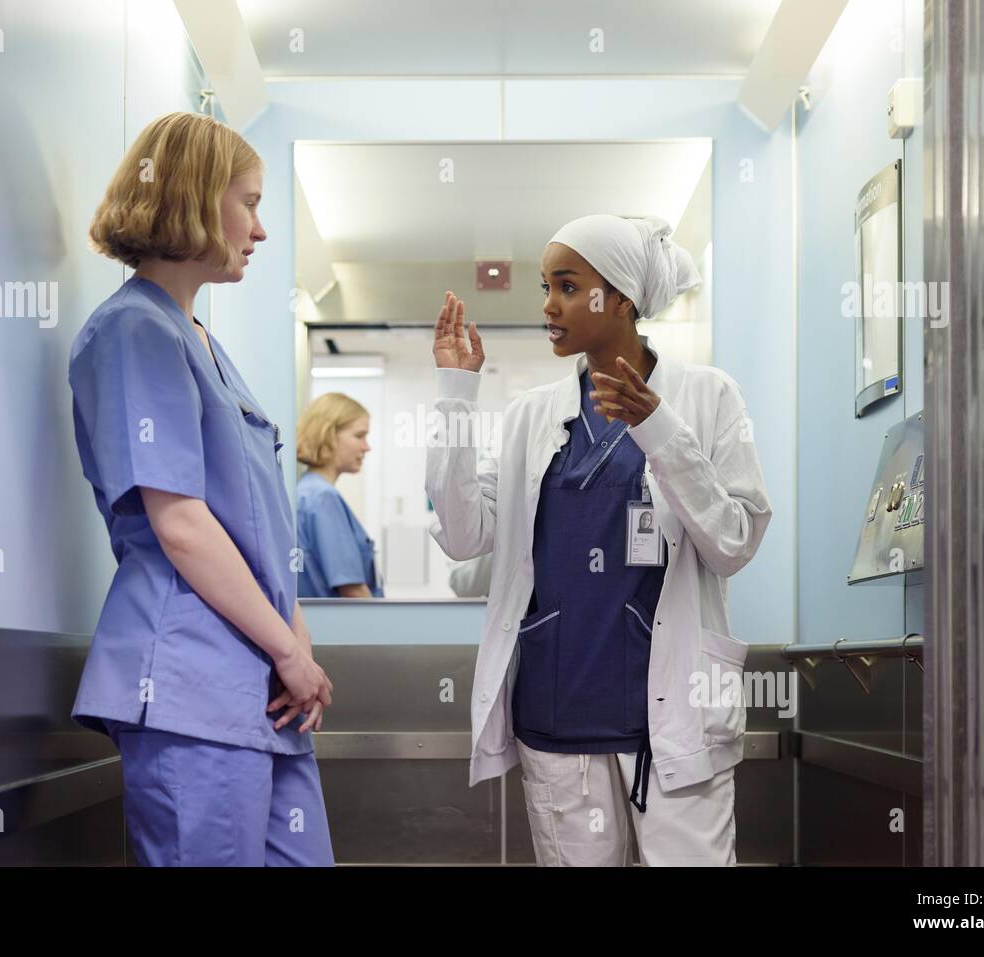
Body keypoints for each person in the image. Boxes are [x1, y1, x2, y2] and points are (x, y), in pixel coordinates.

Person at [426, 214, 772, 866]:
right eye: (544, 286)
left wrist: (661, 430)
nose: (548, 305)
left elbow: (733, 541)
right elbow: (462, 534)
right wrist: (454, 394)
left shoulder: (706, 396)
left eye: (566, 285)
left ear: (621, 297)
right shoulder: (532, 414)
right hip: (558, 723)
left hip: (676, 728)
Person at [67, 111, 334, 866]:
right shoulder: (134, 331)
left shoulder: (205, 345)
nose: (261, 227)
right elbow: (180, 521)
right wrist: (289, 649)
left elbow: (257, 533)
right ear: (193, 196)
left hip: (261, 685)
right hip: (193, 682)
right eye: (248, 200)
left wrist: (296, 651)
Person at [295, 393, 384, 598]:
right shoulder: (321, 498)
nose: (366, 447)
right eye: (359, 436)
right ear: (328, 434)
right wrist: (383, 628)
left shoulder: (307, 492)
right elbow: (352, 590)